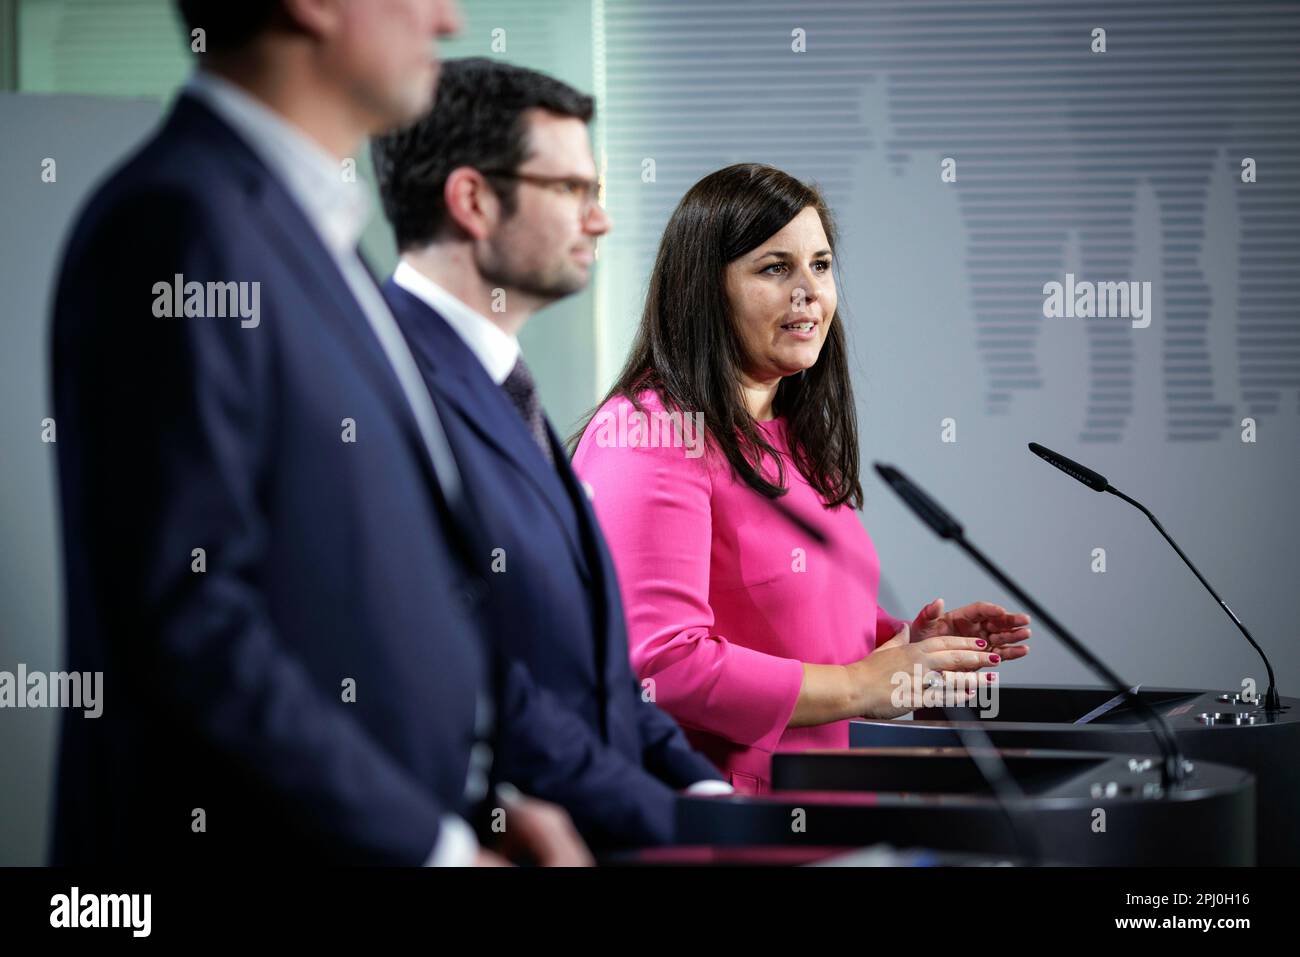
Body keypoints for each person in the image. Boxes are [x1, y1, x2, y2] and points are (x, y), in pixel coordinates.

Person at [49, 0, 662, 868]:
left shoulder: (318, 245)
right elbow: (190, 625)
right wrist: (435, 848)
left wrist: (485, 806)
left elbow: (394, 617)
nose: (448, 21)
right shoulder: (178, 222)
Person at [572, 163, 1032, 793]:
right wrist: (858, 685)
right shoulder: (650, 437)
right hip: (714, 823)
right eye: (774, 268)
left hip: (826, 807)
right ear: (704, 289)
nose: (808, 292)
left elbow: (788, 607)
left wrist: (901, 649)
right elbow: (663, 664)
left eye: (819, 265)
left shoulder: (791, 431)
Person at [372, 58, 730, 807]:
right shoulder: (380, 384)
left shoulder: (506, 385)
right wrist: (655, 812)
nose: (599, 219)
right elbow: (459, 682)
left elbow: (591, 675)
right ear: (472, 199)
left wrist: (700, 789)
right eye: (571, 190)